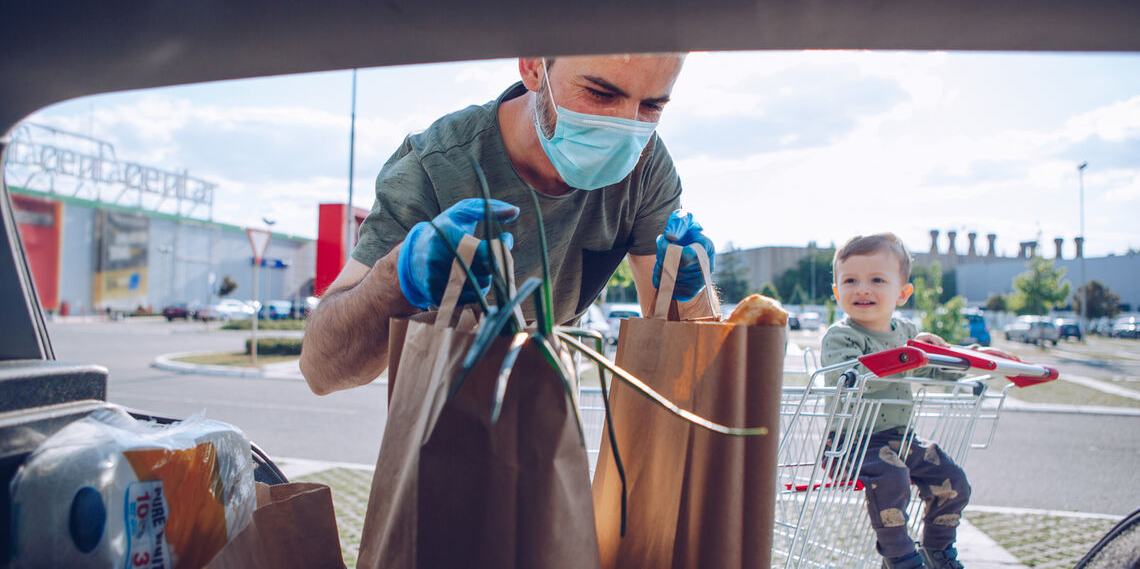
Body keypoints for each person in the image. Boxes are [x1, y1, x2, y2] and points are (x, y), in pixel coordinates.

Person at [300, 54, 717, 395]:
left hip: (550, 420)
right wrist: (397, 278)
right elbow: (323, 370)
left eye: (652, 106)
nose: (625, 128)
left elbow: (675, 345)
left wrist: (691, 291)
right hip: (446, 431)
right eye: (600, 93)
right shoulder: (435, 166)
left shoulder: (646, 165)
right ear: (534, 67)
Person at [821, 233, 1017, 569]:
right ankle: (900, 558)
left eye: (877, 280)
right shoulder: (841, 336)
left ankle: (937, 551)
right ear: (837, 291)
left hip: (901, 440)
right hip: (851, 444)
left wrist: (971, 358)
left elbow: (938, 370)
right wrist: (908, 357)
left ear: (902, 292)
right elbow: (850, 375)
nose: (862, 289)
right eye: (850, 280)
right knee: (893, 478)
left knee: (953, 481)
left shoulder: (908, 333)